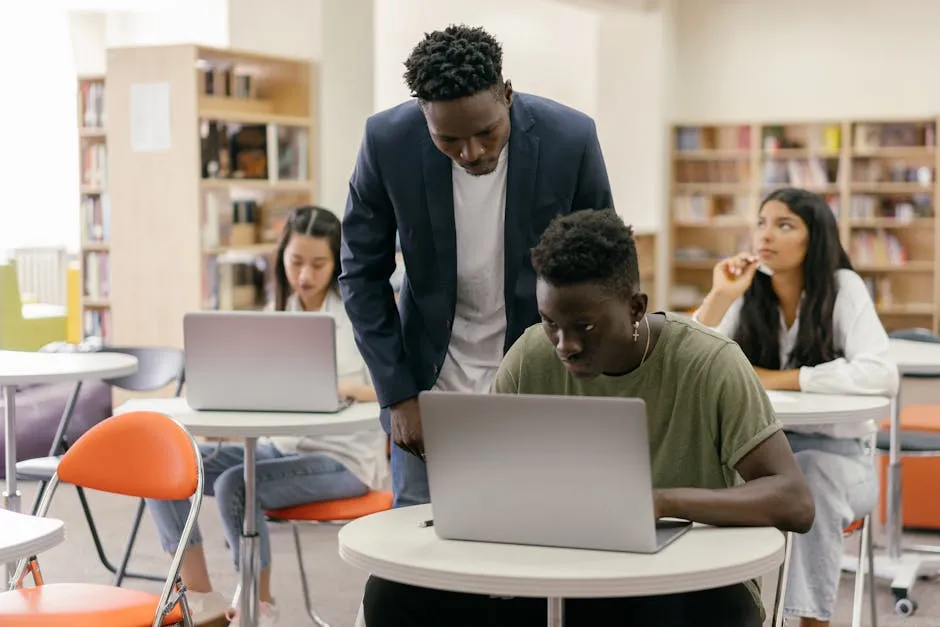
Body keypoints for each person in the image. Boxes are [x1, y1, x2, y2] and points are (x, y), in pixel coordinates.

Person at [362, 209, 815, 627]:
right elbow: (496, 483)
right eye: (550, 323)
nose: (565, 345)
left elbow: (794, 501)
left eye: (586, 327)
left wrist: (660, 503)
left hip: (681, 581)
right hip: (554, 572)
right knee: (393, 594)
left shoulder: (709, 361)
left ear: (636, 307)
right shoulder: (530, 356)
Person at [339, 24, 614, 508]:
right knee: (419, 556)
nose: (472, 153)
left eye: (487, 133)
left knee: (535, 536)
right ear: (424, 116)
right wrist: (397, 395)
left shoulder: (569, 137)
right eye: (448, 140)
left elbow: (604, 264)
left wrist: (590, 376)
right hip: (427, 389)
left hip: (539, 378)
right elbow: (361, 273)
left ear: (506, 95)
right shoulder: (387, 141)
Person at [146, 206, 386, 626]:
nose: (305, 275)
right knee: (162, 466)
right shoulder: (281, 312)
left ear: (337, 261)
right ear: (282, 259)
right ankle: (203, 596)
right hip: (282, 446)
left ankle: (261, 604)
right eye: (296, 262)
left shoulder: (361, 313)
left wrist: (344, 388)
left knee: (234, 484)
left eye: (318, 264)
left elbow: (390, 390)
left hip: (343, 460)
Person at [692, 188, 899, 627]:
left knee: (809, 479)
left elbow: (882, 373)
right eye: (762, 222)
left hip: (840, 463)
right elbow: (689, 357)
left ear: (815, 238)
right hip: (763, 457)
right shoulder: (749, 291)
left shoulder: (843, 288)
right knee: (703, 479)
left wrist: (783, 378)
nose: (767, 234)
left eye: (784, 225)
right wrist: (721, 296)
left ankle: (808, 622)